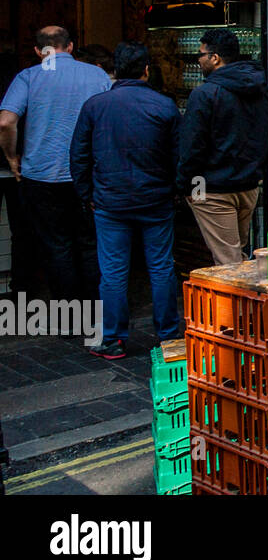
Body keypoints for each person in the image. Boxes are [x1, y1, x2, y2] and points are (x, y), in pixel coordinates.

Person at [69, 43, 180, 357]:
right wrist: (174, 189)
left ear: (114, 70)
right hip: (156, 200)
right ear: (146, 69)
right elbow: (178, 157)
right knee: (161, 268)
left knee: (114, 271)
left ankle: (113, 339)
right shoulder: (165, 106)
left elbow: (78, 156)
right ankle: (169, 338)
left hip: (110, 202)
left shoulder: (95, 106)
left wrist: (86, 194)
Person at [0, 26, 111, 301]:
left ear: (38, 51)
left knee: (56, 245)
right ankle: (95, 313)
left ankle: (70, 317)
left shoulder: (28, 76)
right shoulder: (96, 74)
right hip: (86, 174)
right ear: (71, 47)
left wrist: (12, 159)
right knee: (89, 243)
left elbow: (6, 122)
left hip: (41, 176)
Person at [177, 29, 268, 267]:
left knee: (228, 263)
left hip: (212, 189)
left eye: (201, 54)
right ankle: (248, 302)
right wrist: (258, 172)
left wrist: (185, 185)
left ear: (215, 58)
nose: (199, 60)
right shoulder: (262, 90)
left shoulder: (204, 93)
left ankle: (240, 305)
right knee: (237, 256)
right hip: (249, 186)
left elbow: (192, 147)